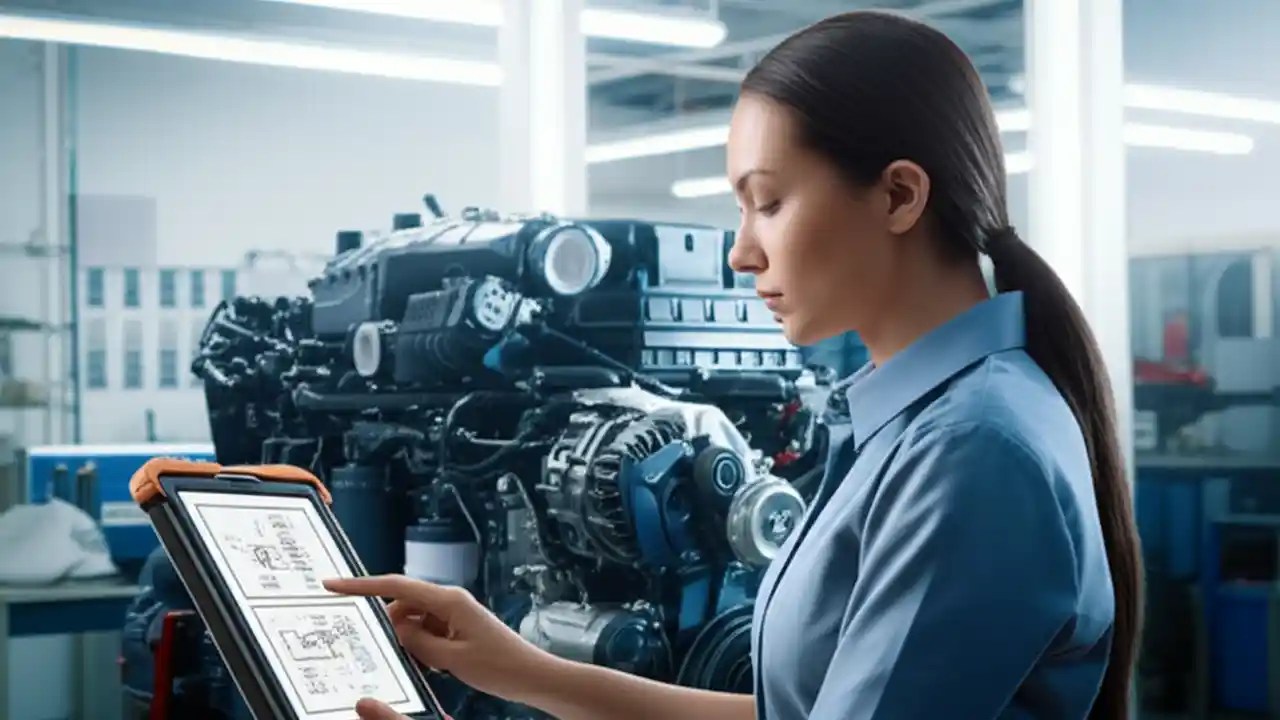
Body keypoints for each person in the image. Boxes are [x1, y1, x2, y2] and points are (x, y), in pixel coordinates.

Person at [325, 10, 1143, 720]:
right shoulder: (913, 426)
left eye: (770, 202)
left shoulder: (973, 450)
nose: (744, 251)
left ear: (898, 196)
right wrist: (519, 670)